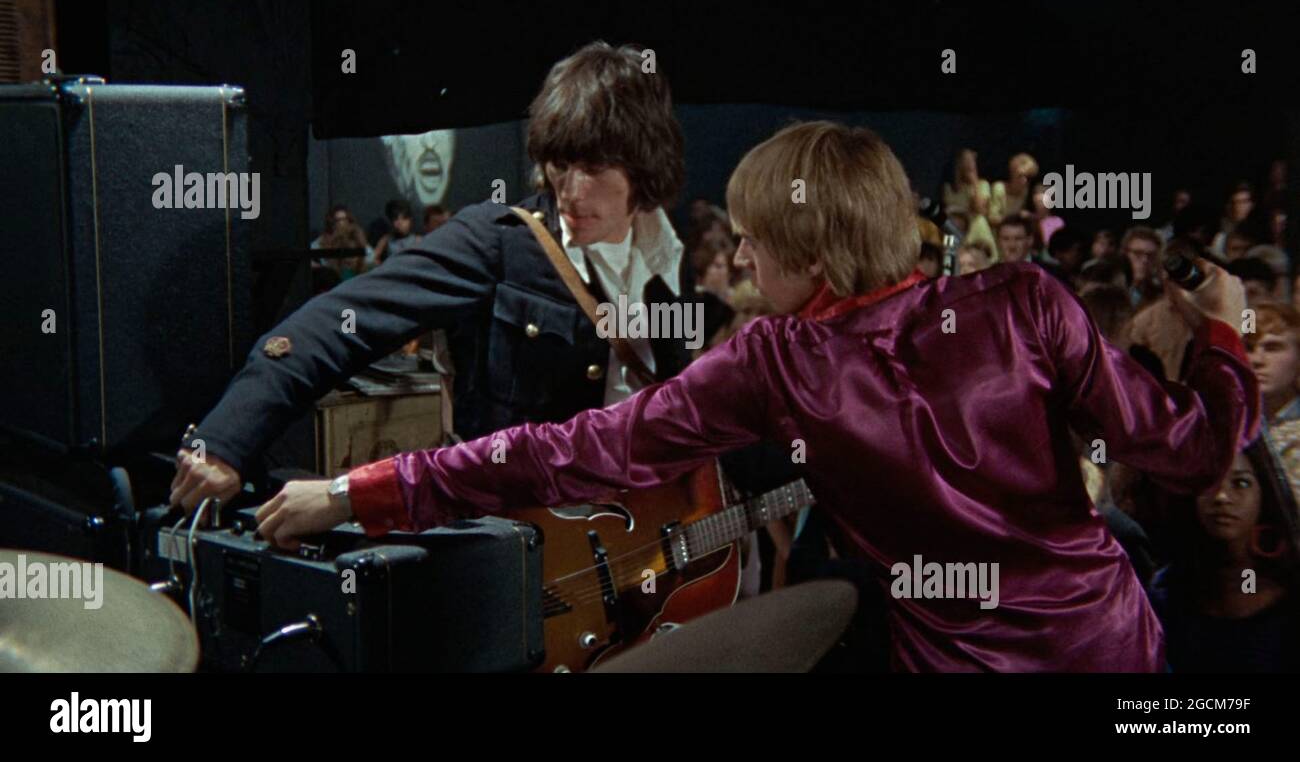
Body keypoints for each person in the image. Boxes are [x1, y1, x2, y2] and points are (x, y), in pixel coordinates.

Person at [260, 120, 1259, 672]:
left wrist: (360, 491)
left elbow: (569, 450)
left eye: (751, 237)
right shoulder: (1025, 302)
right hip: (1111, 645)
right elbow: (1193, 446)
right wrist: (1224, 337)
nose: (735, 253)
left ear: (812, 251)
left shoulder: (776, 360)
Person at [170, 41, 706, 510]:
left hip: (647, 542)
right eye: (560, 164)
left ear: (644, 164)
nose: (570, 190)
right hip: (525, 541)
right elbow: (337, 322)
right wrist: (225, 440)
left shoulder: (673, 261)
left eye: (594, 167)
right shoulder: (499, 242)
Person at [1147, 446, 1300, 672]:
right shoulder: (1168, 590)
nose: (1221, 497)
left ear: (1263, 492)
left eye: (1241, 483)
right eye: (1208, 482)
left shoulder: (1291, 585)